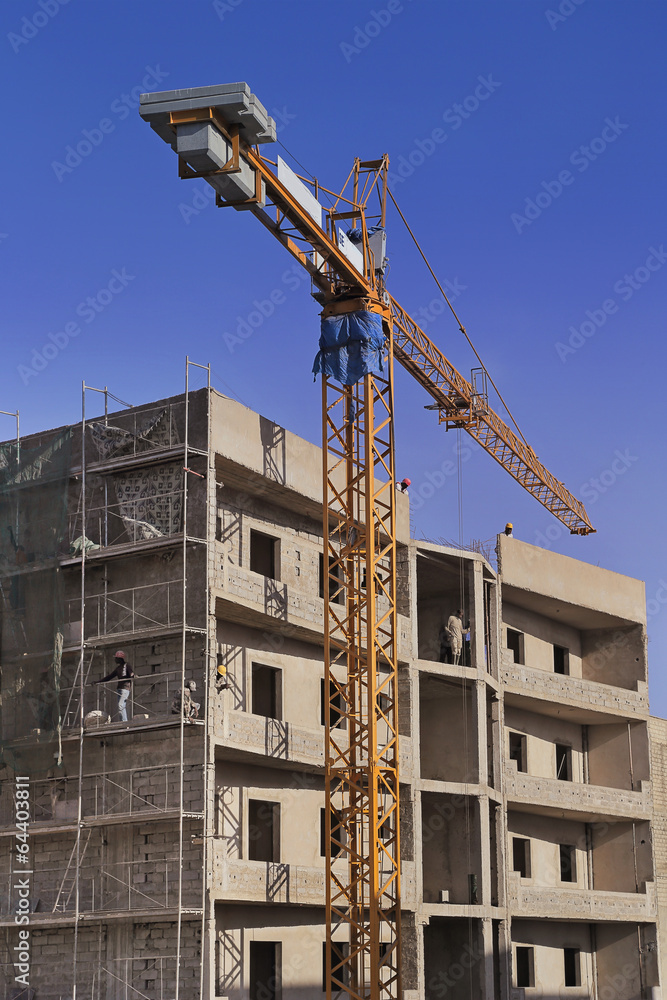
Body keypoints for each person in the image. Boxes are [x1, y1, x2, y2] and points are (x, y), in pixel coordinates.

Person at [93, 650, 134, 722]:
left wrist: (133, 676)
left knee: (121, 705)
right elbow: (109, 677)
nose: (115, 660)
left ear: (119, 658)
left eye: (116, 658)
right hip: (119, 689)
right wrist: (97, 682)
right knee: (121, 706)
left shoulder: (126, 665)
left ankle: (125, 722)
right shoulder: (118, 668)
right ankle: (123, 722)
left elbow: (131, 673)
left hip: (125, 688)